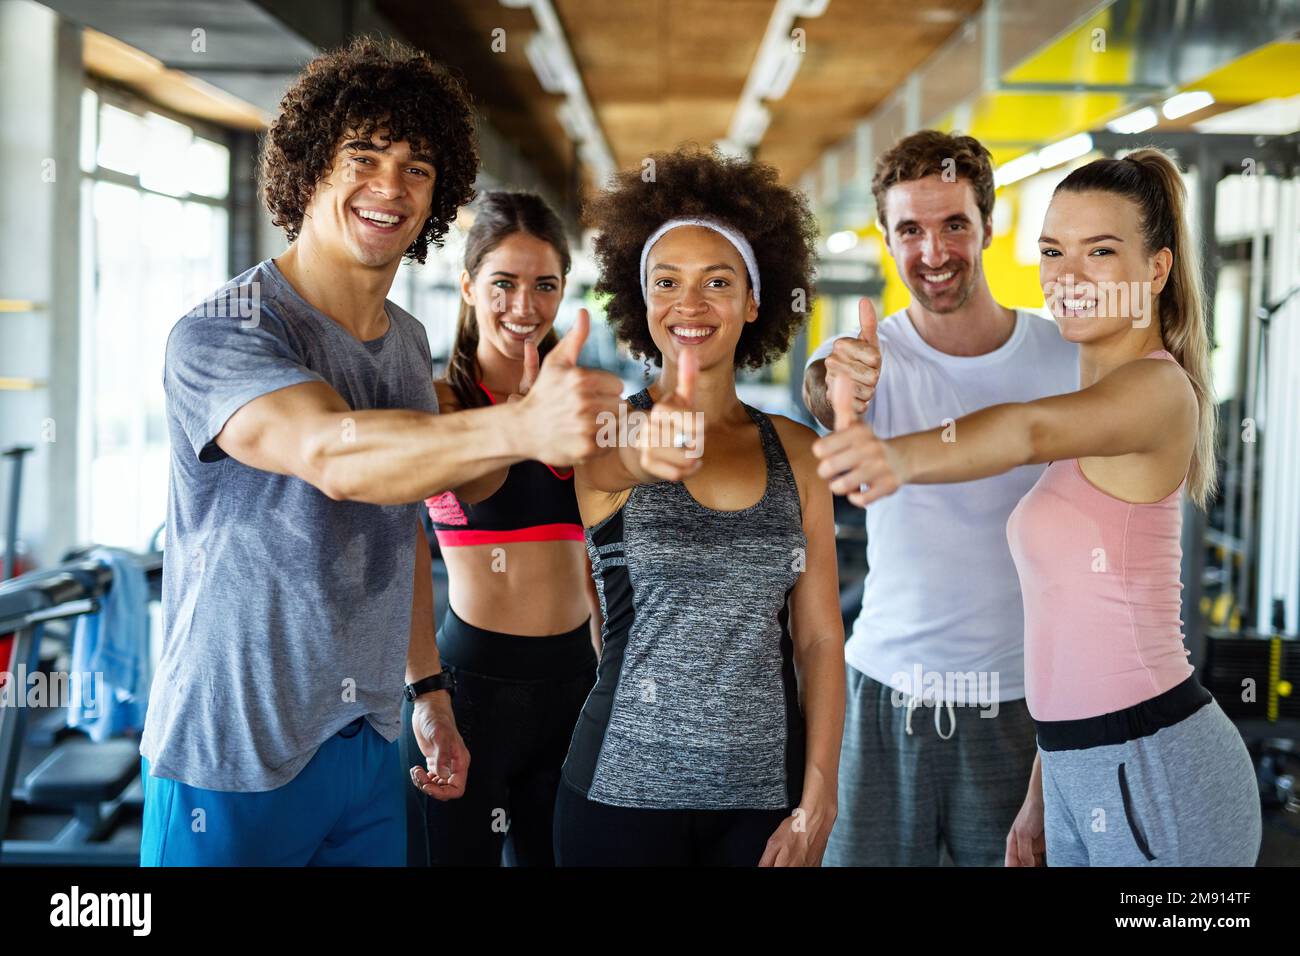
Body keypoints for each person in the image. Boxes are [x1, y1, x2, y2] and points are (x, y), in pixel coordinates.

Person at [138, 38, 622, 866]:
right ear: (308, 171)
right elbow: (336, 455)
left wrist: (427, 690)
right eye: (363, 157)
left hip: (366, 738)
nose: (390, 186)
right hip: (234, 753)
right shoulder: (225, 331)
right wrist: (522, 426)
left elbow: (395, 524)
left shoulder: (404, 341)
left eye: (416, 167)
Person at [816, 149, 1262, 866]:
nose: (1068, 275)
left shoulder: (1155, 392)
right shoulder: (1094, 397)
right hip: (1076, 757)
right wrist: (1043, 786)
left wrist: (896, 457)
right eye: (1054, 250)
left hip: (1151, 762)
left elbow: (1026, 427)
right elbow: (1063, 625)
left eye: (1101, 251)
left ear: (1156, 270)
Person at [553, 147, 845, 866]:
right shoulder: (607, 436)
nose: (690, 304)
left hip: (763, 804)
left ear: (753, 299)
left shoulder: (798, 453)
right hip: (615, 799)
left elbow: (819, 641)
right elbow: (617, 463)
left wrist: (820, 798)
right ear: (640, 300)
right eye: (667, 282)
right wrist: (648, 455)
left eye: (717, 281)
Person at [802, 130, 1078, 865]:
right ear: (889, 240)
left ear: (989, 224)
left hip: (1022, 703)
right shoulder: (865, 362)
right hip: (886, 691)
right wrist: (836, 386)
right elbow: (827, 401)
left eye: (954, 223)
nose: (934, 251)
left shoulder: (1064, 357)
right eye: (910, 230)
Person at [401, 191, 601, 866]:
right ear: (467, 286)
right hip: (471, 693)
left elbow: (603, 565)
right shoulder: (439, 402)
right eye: (503, 283)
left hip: (575, 685)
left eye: (545, 285)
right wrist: (425, 692)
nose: (525, 306)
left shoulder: (583, 406)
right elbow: (400, 553)